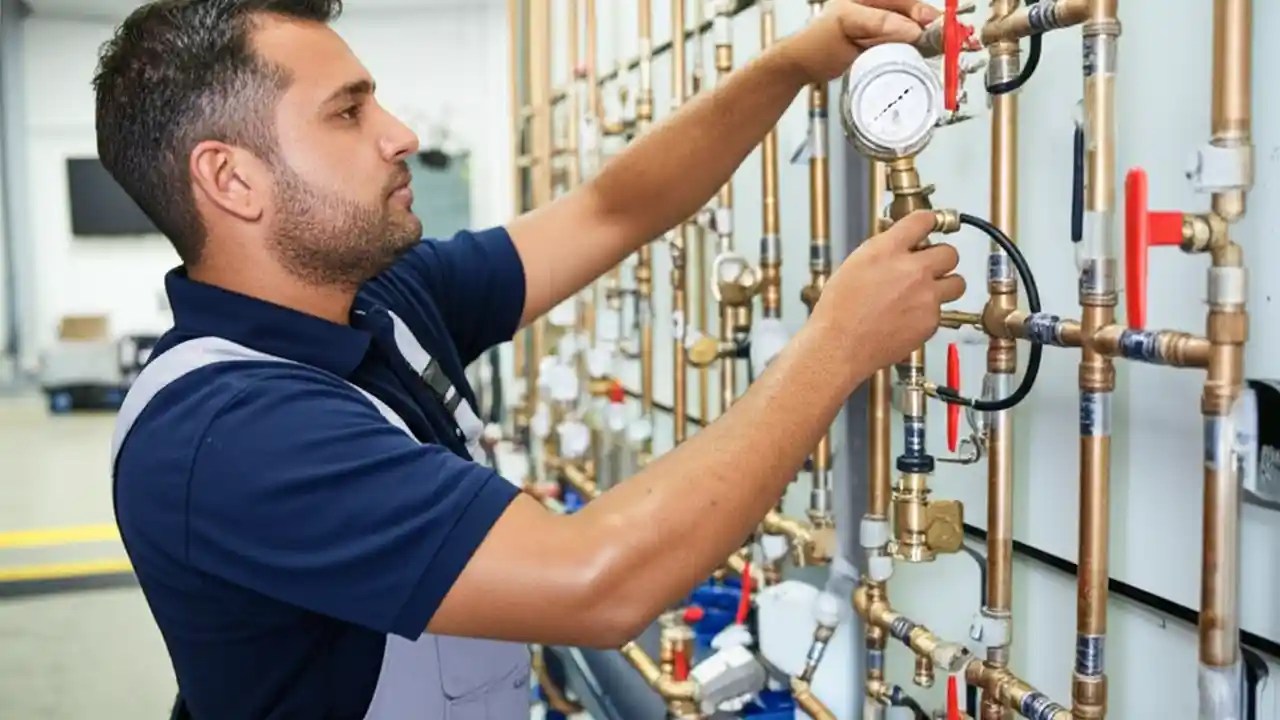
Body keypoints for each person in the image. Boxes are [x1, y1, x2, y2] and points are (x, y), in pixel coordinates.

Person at [95, 0, 964, 717]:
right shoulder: (229, 432)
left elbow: (609, 212)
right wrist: (838, 344)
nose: (398, 134)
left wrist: (790, 67)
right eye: (348, 111)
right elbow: (597, 583)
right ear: (231, 180)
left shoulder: (378, 297)